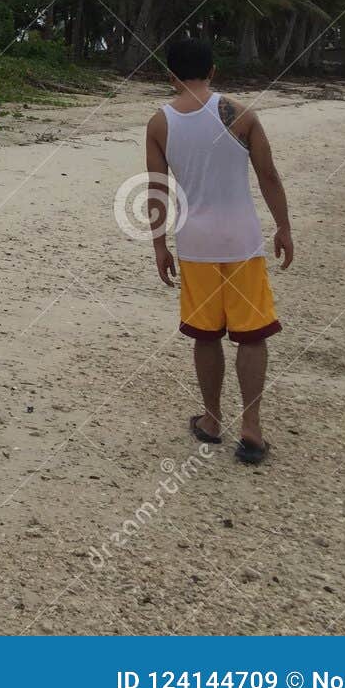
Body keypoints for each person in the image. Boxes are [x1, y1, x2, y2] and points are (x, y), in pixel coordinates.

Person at [143, 39, 293, 465]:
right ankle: (251, 428)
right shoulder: (241, 113)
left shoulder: (159, 123)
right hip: (242, 240)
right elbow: (268, 175)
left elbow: (156, 191)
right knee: (252, 334)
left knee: (205, 335)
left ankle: (211, 420)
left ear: (170, 75)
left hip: (195, 244)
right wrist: (283, 227)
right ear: (213, 69)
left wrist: (158, 244)